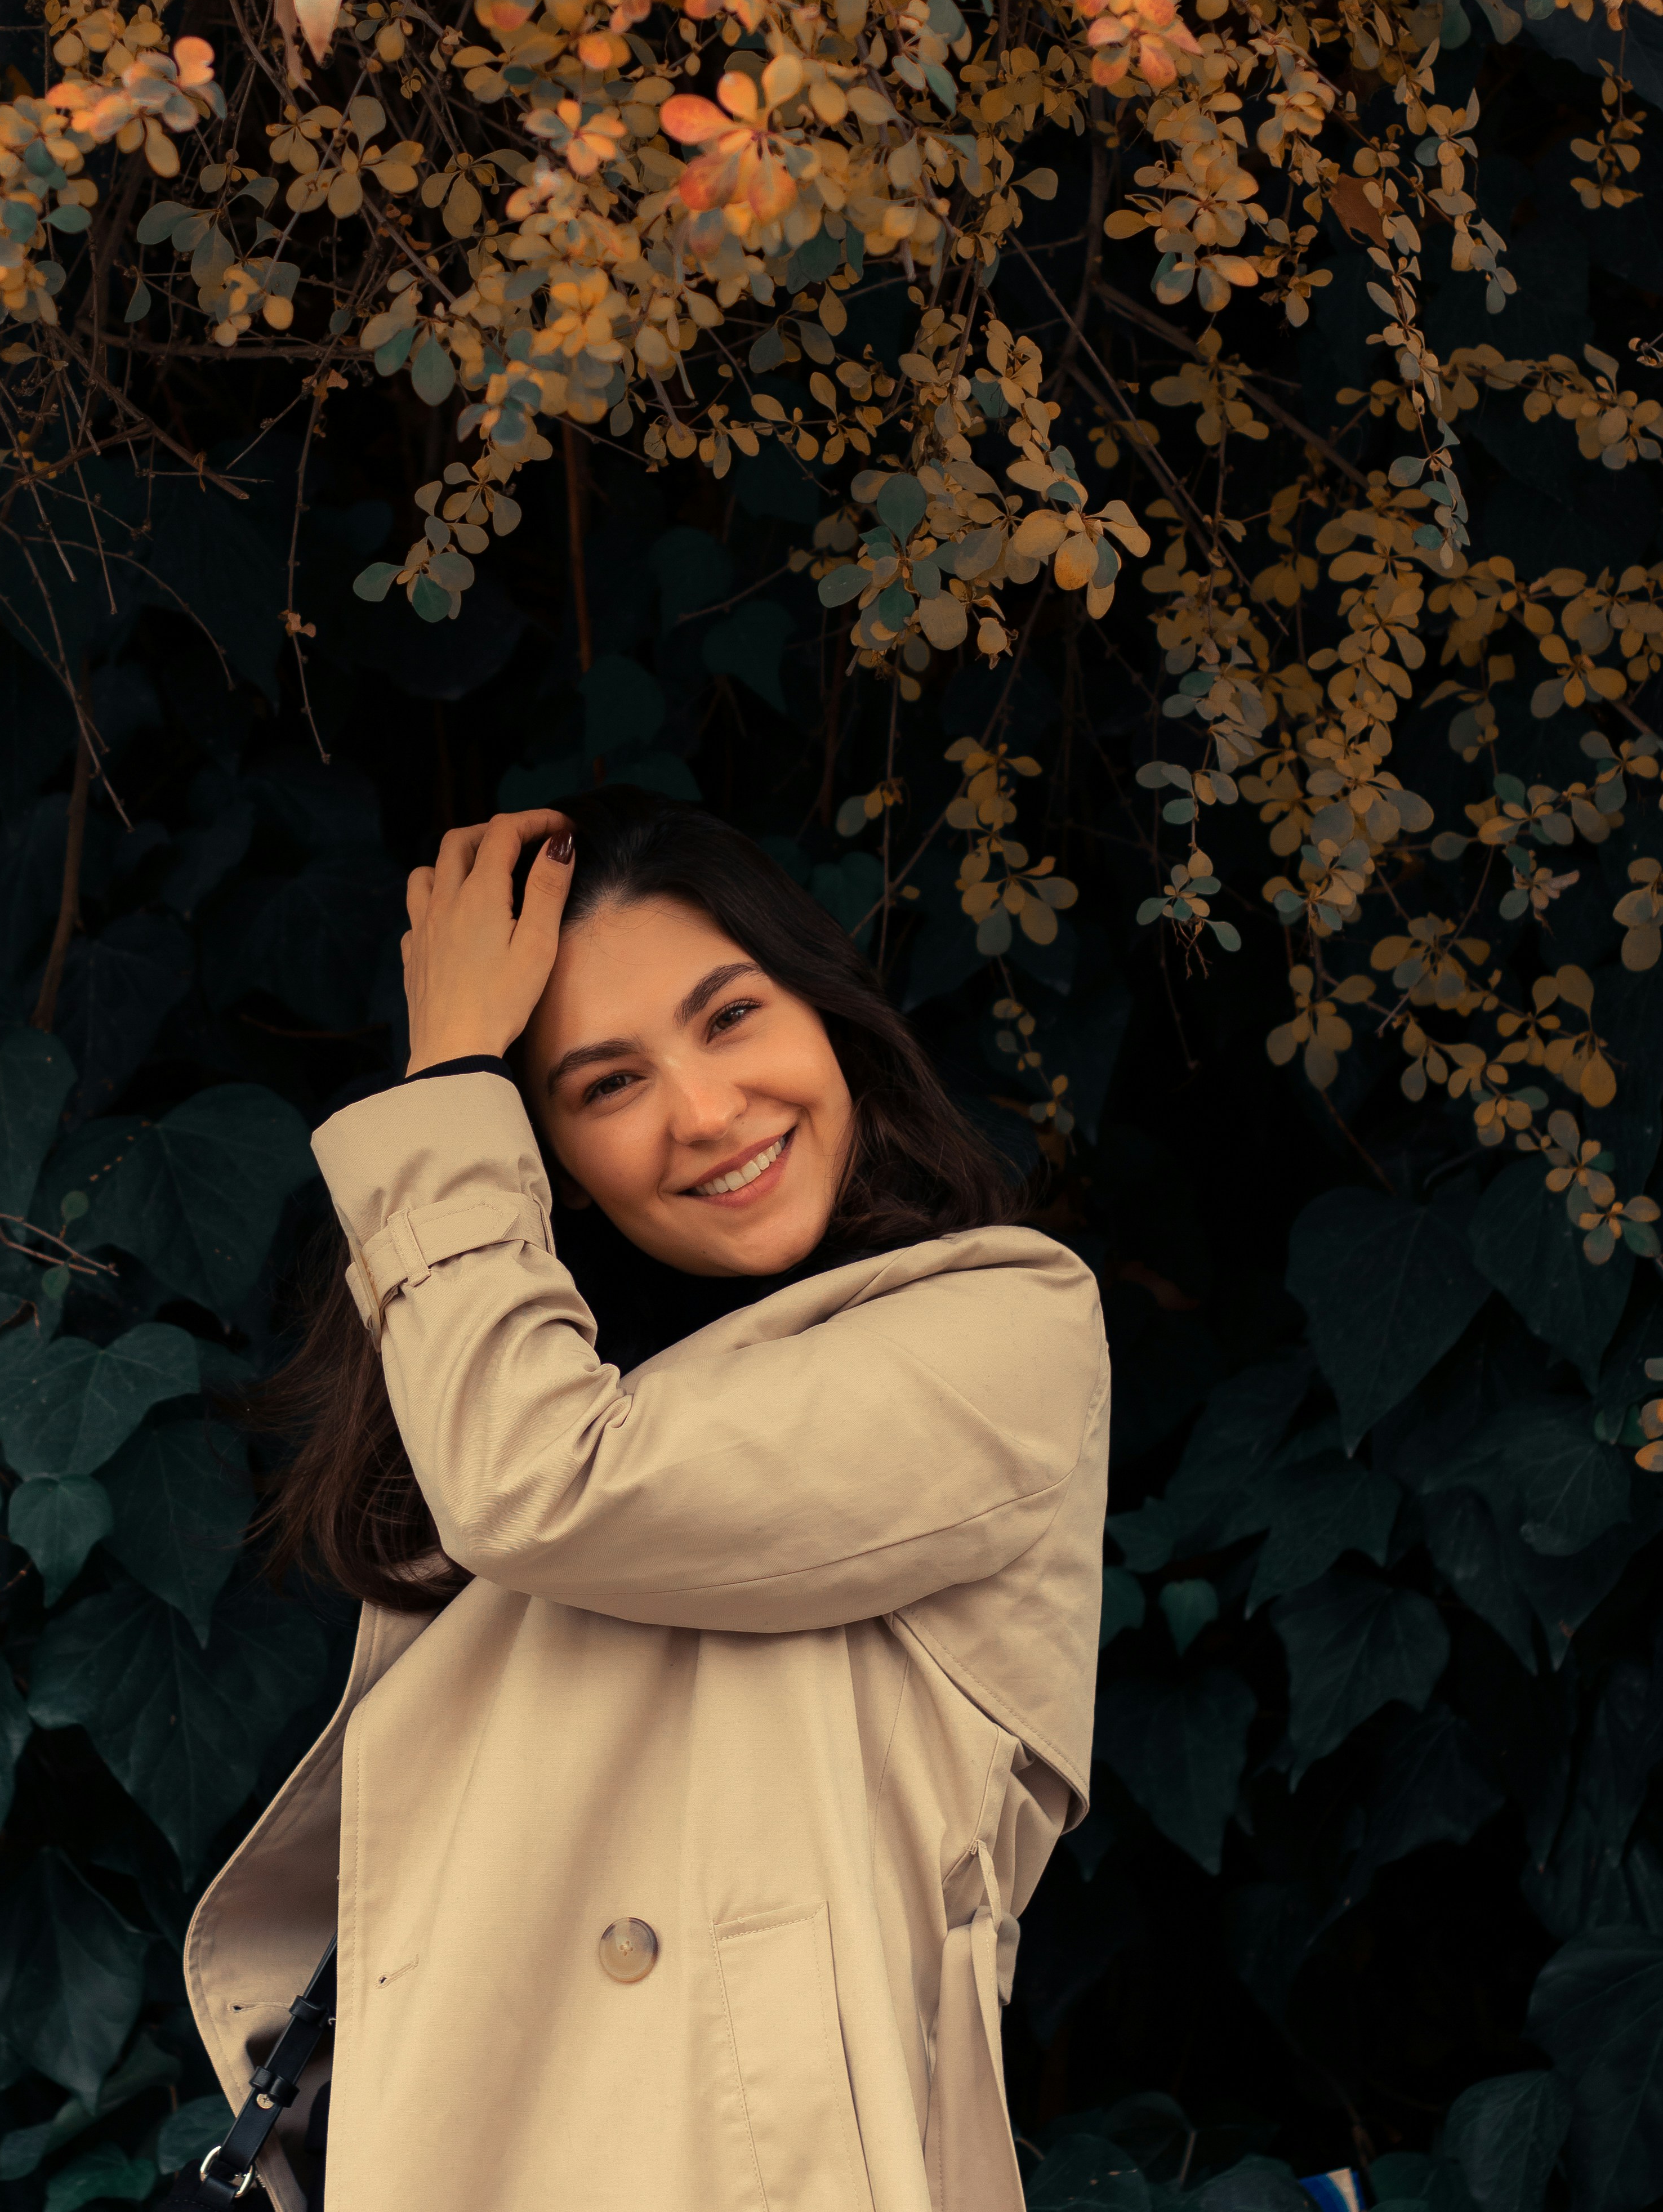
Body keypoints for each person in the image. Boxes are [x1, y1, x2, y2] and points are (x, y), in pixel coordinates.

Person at [183, 789, 1109, 2212]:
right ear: (543, 1166)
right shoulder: (518, 1405)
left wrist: (443, 1074)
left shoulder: (1006, 1332)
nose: (704, 1112)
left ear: (825, 1015)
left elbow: (545, 1484)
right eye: (606, 1084)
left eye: (730, 1016)